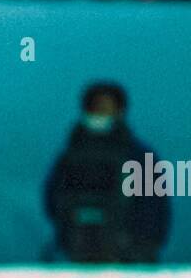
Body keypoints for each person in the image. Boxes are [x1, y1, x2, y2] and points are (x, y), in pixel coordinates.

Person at [42, 81, 170, 264]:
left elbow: (154, 206)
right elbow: (53, 197)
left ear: (120, 111)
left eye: (106, 107)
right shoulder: (70, 157)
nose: (100, 113)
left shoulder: (138, 156)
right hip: (77, 251)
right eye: (95, 107)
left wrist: (143, 245)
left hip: (129, 256)